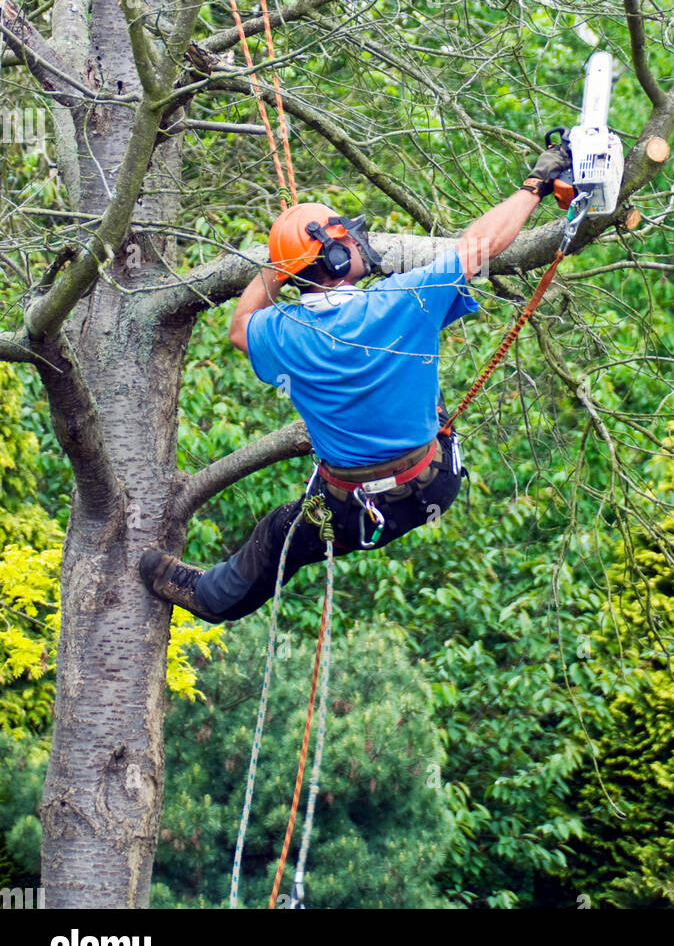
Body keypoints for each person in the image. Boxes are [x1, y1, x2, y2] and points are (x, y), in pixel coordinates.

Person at [139, 141, 571, 622]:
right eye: (347, 241)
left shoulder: (281, 334)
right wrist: (535, 186)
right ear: (337, 261)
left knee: (281, 533)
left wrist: (276, 268)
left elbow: (240, 325)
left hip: (349, 511)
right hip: (432, 484)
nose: (359, 242)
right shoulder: (405, 299)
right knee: (419, 351)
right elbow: (480, 246)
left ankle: (210, 599)